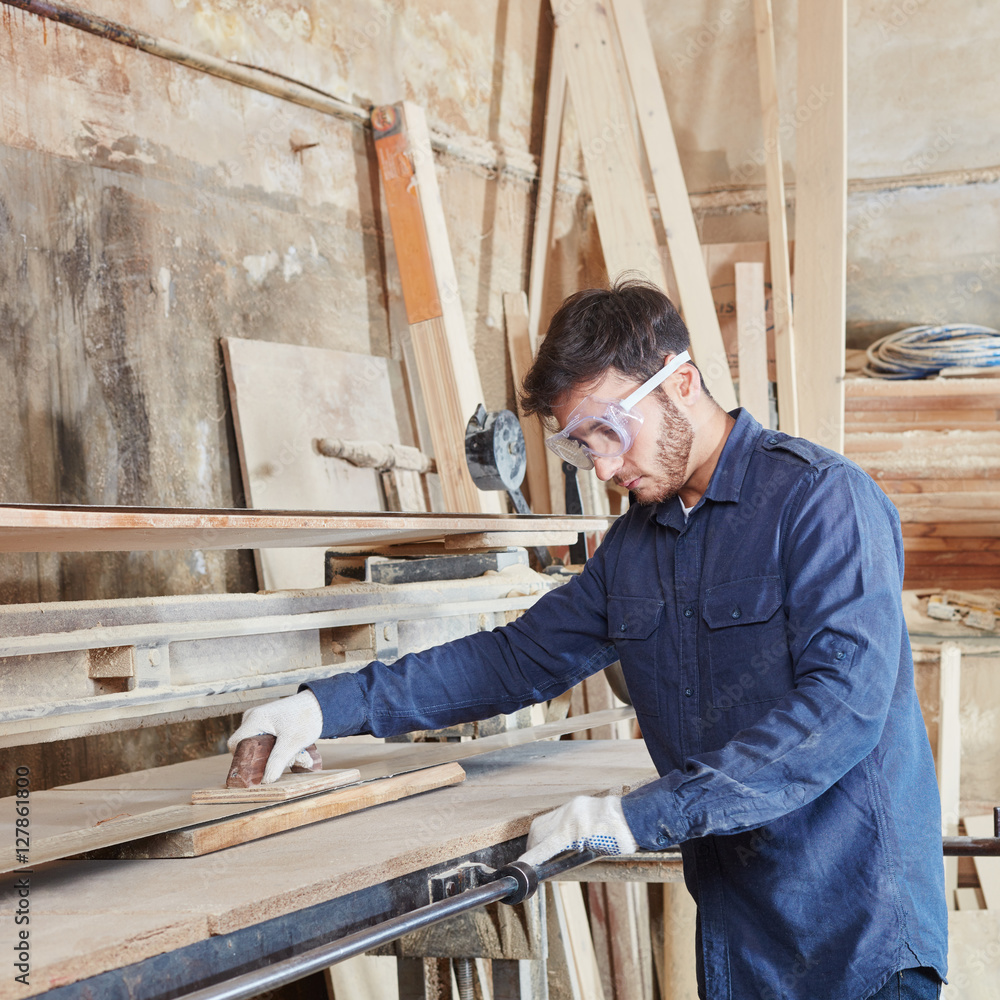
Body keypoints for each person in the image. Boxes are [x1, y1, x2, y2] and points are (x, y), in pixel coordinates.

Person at [228, 279, 947, 1000]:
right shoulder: (636, 547)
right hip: (742, 934)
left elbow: (842, 709)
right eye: (580, 446)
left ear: (683, 381)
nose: (602, 467)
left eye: (609, 431)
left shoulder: (822, 501)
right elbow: (514, 661)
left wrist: (640, 815)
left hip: (861, 933)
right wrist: (324, 707)